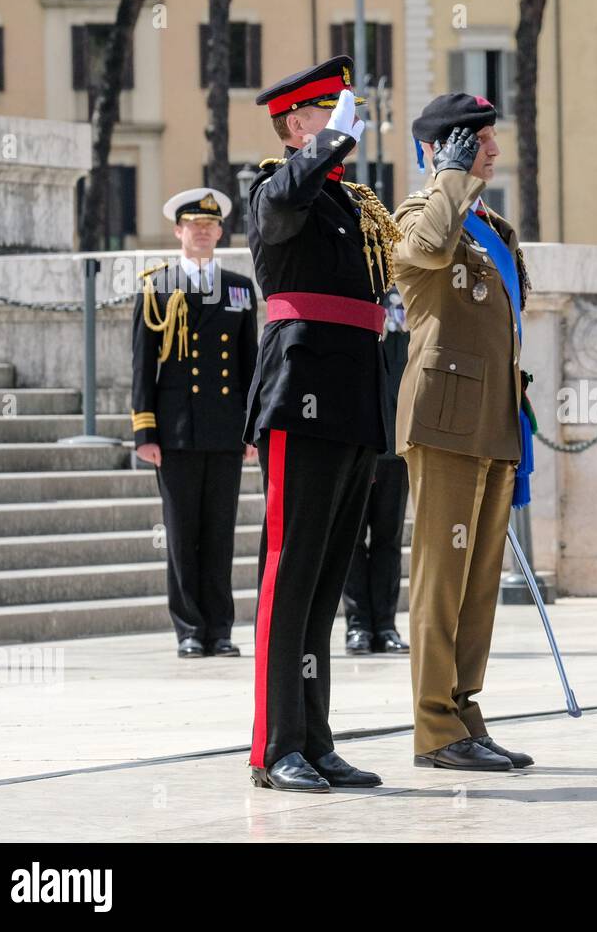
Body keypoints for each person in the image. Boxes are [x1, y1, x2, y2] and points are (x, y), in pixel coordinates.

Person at [245, 55, 392, 792]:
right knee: (289, 574)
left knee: (328, 579)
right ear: (296, 123)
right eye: (329, 114)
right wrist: (323, 146)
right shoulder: (275, 188)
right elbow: (284, 202)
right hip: (298, 394)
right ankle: (276, 747)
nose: (347, 124)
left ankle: (316, 736)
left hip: (352, 394)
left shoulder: (349, 205)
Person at [390, 93, 535, 773]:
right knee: (439, 580)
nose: (492, 153)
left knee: (478, 582)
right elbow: (422, 254)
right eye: (477, 142)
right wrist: (448, 177)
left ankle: (464, 711)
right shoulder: (422, 214)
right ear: (440, 149)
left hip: (494, 419)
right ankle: (433, 727)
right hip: (444, 419)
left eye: (488, 141)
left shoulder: (495, 229)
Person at [131, 188, 258, 658]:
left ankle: (220, 629)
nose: (202, 232)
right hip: (177, 431)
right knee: (182, 535)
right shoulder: (157, 286)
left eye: (210, 225)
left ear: (221, 232)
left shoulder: (240, 287)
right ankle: (188, 628)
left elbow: (250, 365)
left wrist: (251, 429)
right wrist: (145, 432)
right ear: (179, 231)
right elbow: (143, 364)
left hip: (224, 430)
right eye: (193, 225)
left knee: (220, 533)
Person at [342, 290, 411, 656]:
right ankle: (357, 625)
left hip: (396, 442)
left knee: (388, 539)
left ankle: (385, 625)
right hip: (357, 438)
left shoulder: (410, 300)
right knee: (351, 540)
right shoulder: (358, 293)